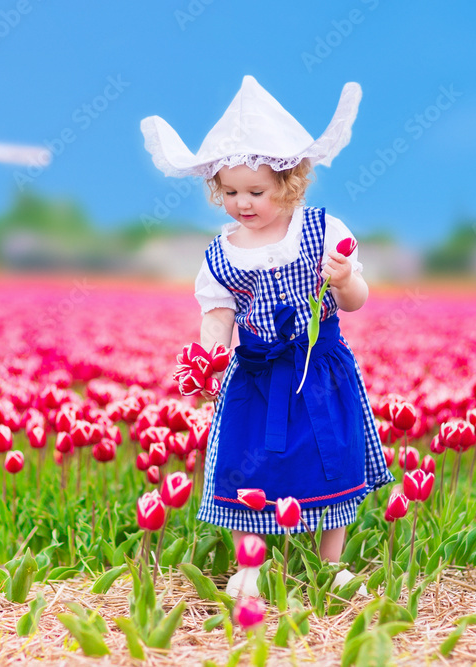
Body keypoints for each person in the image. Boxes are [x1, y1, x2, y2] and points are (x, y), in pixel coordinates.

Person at [141, 76, 395, 597]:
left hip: (319, 368)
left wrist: (346, 279)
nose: (243, 203)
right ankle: (248, 566)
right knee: (246, 461)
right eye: (230, 192)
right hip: (255, 374)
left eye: (255, 191)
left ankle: (330, 563)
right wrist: (207, 359)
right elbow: (218, 317)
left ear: (290, 183)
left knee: (332, 457)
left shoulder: (321, 229)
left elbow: (355, 300)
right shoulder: (222, 253)